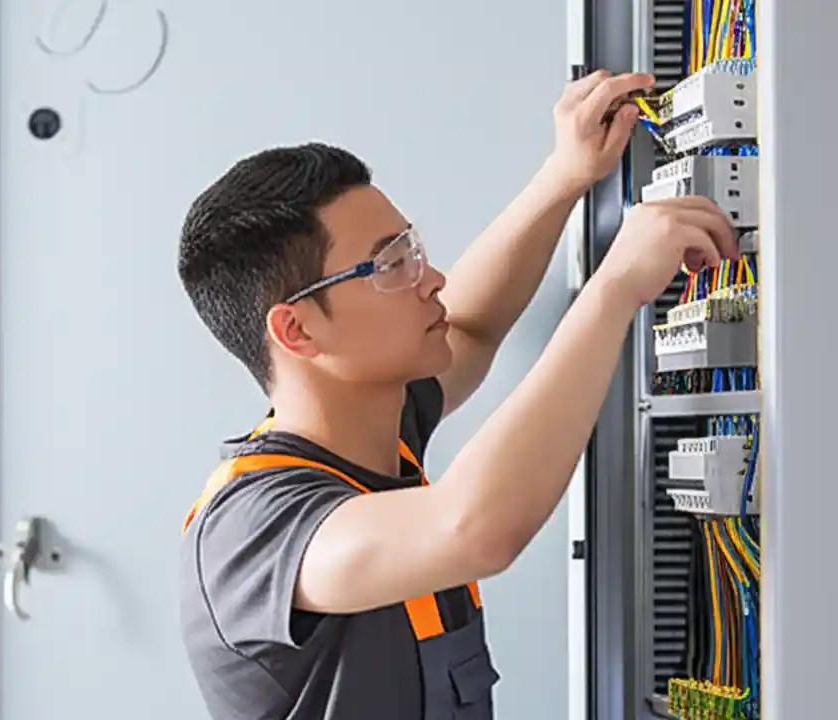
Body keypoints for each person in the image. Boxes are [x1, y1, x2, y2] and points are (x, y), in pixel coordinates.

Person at [175, 69, 739, 720]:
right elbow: (473, 528)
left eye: (411, 248)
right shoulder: (251, 529)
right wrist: (616, 288)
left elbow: (469, 326)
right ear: (296, 329)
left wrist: (565, 175)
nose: (431, 278)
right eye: (390, 265)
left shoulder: (380, 440)